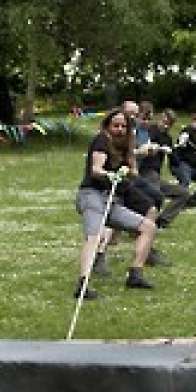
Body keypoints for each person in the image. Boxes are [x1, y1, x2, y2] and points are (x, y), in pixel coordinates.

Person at [73, 109, 158, 299]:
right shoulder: (102, 140)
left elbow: (135, 173)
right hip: (91, 195)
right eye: (115, 125)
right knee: (94, 236)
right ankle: (83, 285)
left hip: (110, 200)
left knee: (148, 227)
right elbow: (96, 170)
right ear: (108, 126)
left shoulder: (127, 145)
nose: (119, 129)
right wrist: (109, 174)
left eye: (123, 126)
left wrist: (127, 169)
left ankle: (135, 275)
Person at [138, 109, 191, 228]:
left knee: (183, 193)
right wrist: (158, 148)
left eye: (169, 124)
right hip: (144, 171)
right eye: (163, 122)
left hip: (155, 175)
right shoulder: (150, 131)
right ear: (159, 119)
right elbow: (144, 149)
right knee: (155, 196)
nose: (165, 125)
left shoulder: (167, 138)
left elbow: (175, 162)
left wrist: (175, 149)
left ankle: (162, 221)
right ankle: (142, 224)